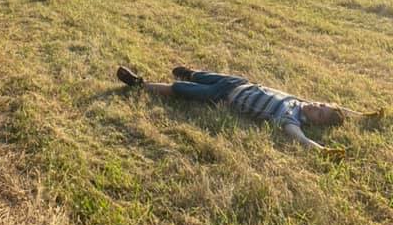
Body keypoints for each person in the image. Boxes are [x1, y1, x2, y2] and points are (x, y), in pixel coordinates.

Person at [116, 64, 376, 150]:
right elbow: (339, 108)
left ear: (316, 122)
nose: (315, 106)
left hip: (223, 98)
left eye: (319, 112)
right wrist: (362, 116)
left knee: (182, 90)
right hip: (239, 83)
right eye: (321, 104)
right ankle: (190, 72)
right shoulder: (298, 100)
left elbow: (299, 138)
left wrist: (320, 149)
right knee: (204, 75)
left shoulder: (291, 117)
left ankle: (140, 84)